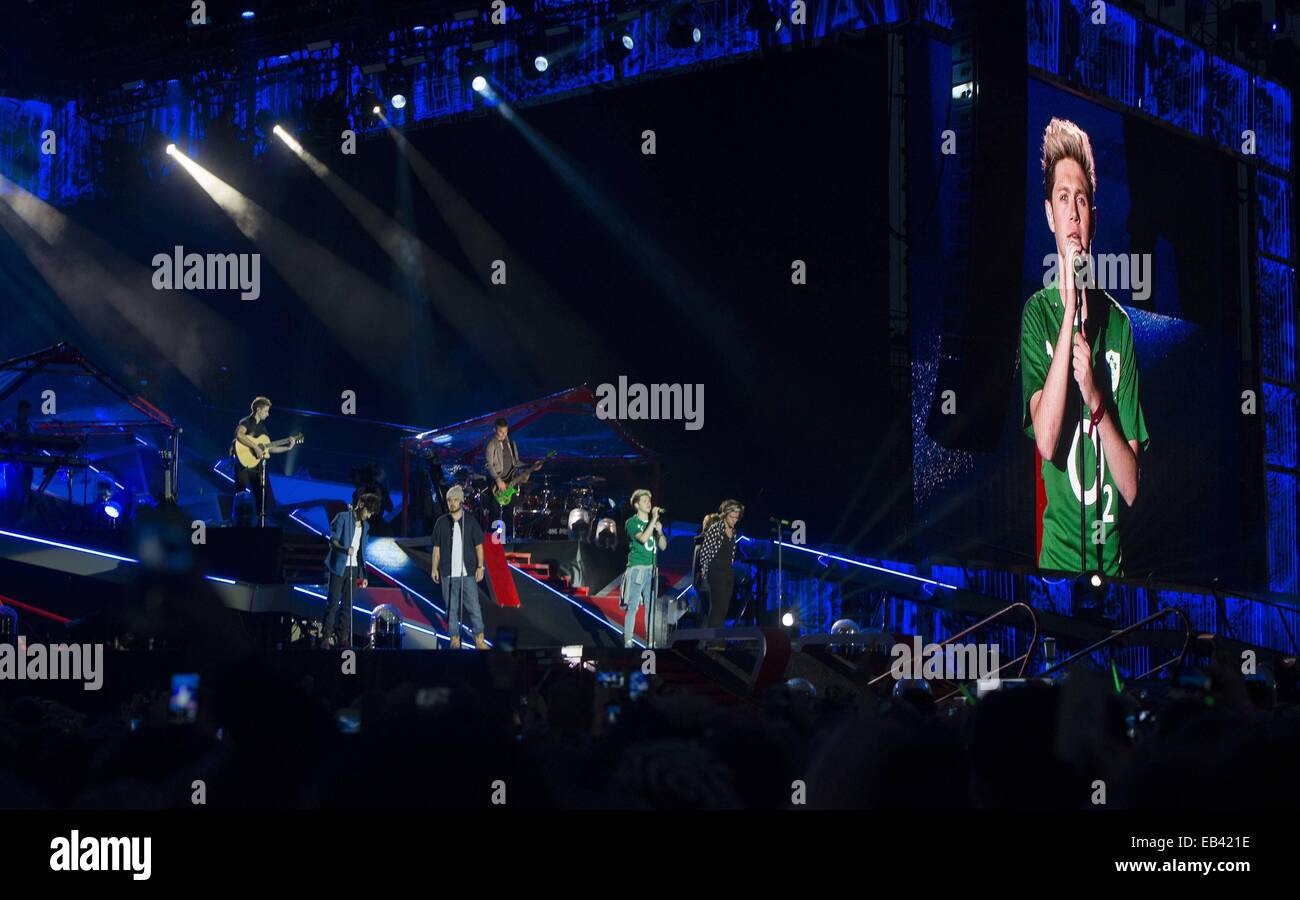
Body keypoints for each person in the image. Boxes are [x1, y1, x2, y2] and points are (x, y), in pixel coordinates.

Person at [1021, 118, 1148, 576]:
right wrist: (1070, 303)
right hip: (1054, 574)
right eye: (1062, 199)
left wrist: (1096, 399)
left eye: (1082, 199)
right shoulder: (1037, 315)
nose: (1073, 213)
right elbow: (1048, 439)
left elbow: (1131, 488)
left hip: (1113, 575)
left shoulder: (1119, 325)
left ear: (1093, 212)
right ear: (1050, 215)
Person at [432, 484, 488, 650]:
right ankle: (454, 639)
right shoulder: (441, 522)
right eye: (450, 500)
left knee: (474, 608)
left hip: (468, 573)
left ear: (461, 501)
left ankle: (479, 639)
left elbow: (479, 546)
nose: (452, 503)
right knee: (451, 610)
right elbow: (436, 548)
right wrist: (434, 568)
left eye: (455, 500)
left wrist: (480, 567)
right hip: (448, 574)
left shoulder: (470, 521)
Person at [322, 494, 377, 648]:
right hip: (339, 566)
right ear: (360, 504)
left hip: (353, 568)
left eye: (371, 513)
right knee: (333, 602)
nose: (369, 515)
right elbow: (332, 541)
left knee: (348, 604)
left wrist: (363, 574)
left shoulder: (366, 526)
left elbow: (361, 553)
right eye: (368, 511)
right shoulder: (343, 518)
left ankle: (343, 638)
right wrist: (345, 550)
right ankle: (326, 637)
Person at [231, 397, 298, 522]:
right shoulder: (247, 422)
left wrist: (287, 448)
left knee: (261, 496)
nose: (268, 414)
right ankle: (236, 523)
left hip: (256, 467)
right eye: (266, 411)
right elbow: (239, 435)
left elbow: (269, 448)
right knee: (240, 493)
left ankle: (258, 525)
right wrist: (256, 447)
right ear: (258, 409)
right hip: (242, 465)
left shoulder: (263, 429)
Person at [622, 489, 667, 648]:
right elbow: (642, 538)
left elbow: (663, 546)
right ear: (637, 505)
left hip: (652, 570)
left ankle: (651, 642)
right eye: (645, 501)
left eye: (649, 501)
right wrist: (653, 520)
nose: (649, 504)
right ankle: (628, 642)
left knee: (651, 607)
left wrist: (660, 531)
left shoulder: (653, 524)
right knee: (633, 606)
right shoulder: (631, 522)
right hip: (637, 569)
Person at [483, 417, 539, 541]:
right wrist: (498, 480)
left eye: (505, 432)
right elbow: (488, 465)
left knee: (509, 514)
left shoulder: (511, 444)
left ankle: (508, 540)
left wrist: (530, 467)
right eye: (500, 432)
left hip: (510, 483)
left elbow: (516, 462)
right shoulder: (491, 444)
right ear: (494, 430)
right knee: (495, 514)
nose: (503, 435)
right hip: (496, 484)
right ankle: (494, 542)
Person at [698, 500, 743, 629]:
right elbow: (705, 551)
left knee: (724, 608)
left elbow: (731, 554)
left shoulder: (734, 532)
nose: (734, 520)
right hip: (715, 571)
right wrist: (705, 571)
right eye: (732, 517)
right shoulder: (715, 528)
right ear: (725, 514)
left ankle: (717, 638)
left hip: (728, 572)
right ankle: (712, 640)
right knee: (717, 607)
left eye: (737, 517)